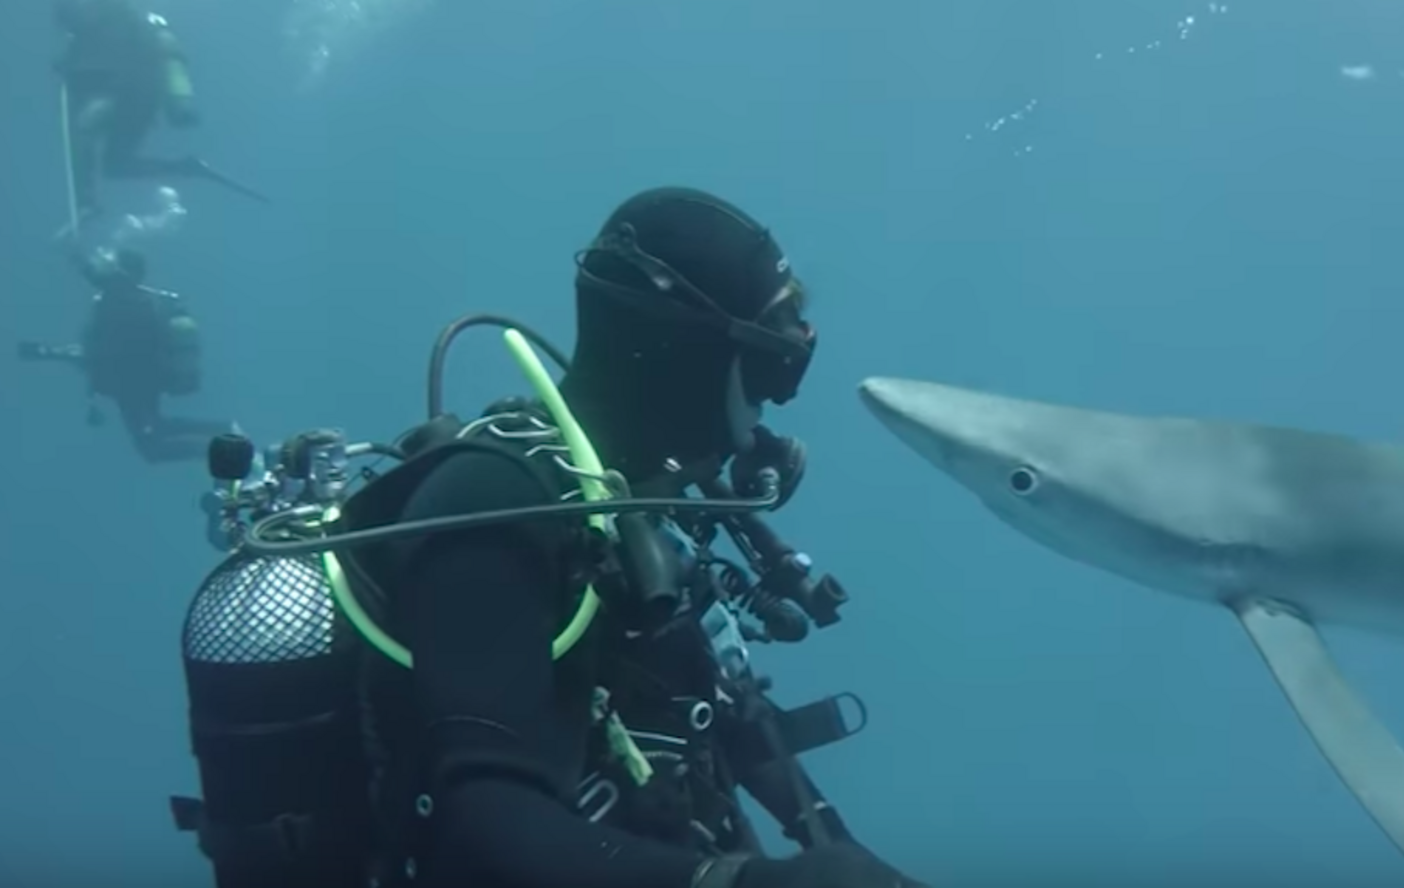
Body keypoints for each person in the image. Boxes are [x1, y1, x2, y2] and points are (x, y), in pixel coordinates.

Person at [171, 187, 929, 888]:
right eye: (774, 364)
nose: (776, 402)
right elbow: (480, 825)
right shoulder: (493, 508)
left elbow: (722, 715)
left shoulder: (627, 505)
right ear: (681, 354)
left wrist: (831, 844)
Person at [52, 0, 265, 225]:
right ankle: (184, 167)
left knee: (85, 126)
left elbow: (87, 36)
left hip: (120, 90)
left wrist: (69, 61)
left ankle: (86, 202)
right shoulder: (134, 19)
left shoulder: (108, 12)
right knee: (117, 166)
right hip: (145, 99)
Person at [17, 246, 234, 464]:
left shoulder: (122, 305)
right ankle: (224, 433)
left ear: (119, 272)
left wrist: (56, 354)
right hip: (134, 384)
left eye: (108, 260)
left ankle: (231, 449)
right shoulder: (121, 299)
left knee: (153, 446)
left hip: (135, 384)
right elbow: (103, 346)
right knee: (156, 432)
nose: (101, 261)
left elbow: (107, 352)